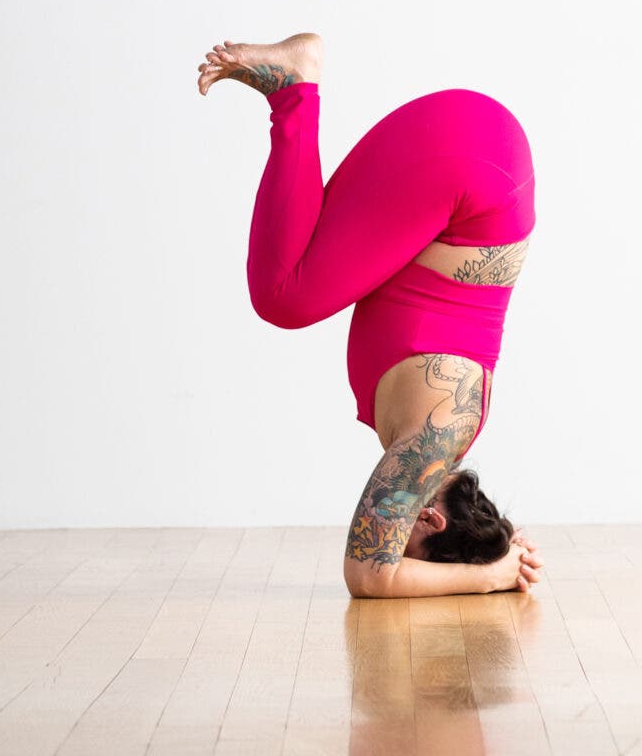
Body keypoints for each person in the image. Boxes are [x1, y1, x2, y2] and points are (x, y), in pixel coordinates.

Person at [197, 32, 546, 598]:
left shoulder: (442, 435)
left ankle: (293, 92)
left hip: (477, 151)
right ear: (430, 521)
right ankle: (293, 90)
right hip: (474, 174)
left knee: (298, 276)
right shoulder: (431, 444)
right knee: (284, 295)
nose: (391, 537)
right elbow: (370, 573)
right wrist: (488, 575)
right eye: (418, 556)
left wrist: (499, 546)